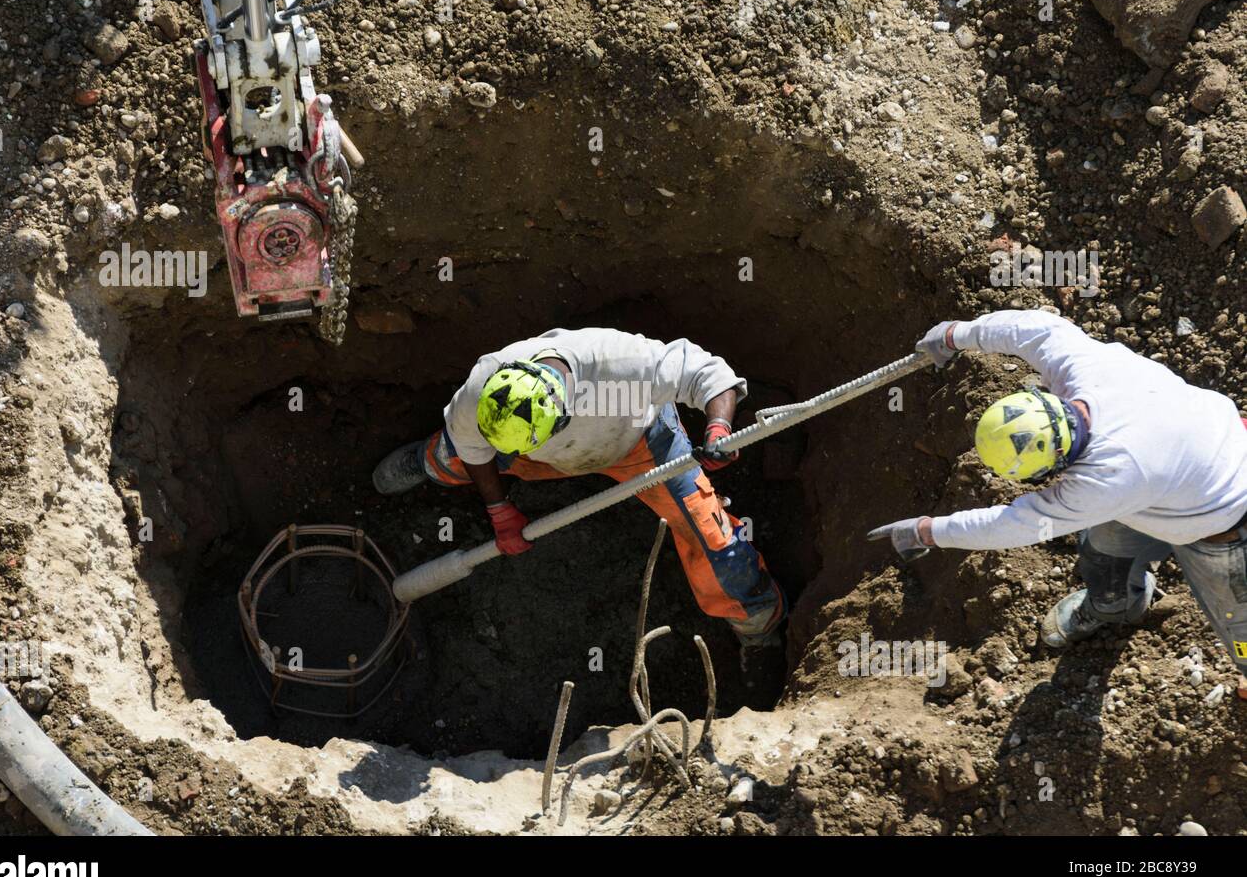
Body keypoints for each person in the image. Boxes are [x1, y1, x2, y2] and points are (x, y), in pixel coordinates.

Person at [869, 310, 1247, 696]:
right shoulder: (1081, 365)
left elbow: (1011, 525)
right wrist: (955, 335)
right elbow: (1030, 329)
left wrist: (928, 532)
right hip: (1195, 460)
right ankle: (1115, 607)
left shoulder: (1103, 481)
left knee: (1240, 621)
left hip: (1224, 517)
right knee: (1100, 552)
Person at [373, 327, 787, 660]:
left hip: (639, 445)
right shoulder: (483, 387)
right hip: (546, 457)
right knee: (454, 454)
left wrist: (718, 429)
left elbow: (710, 374)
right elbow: (476, 447)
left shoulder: (622, 363)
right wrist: (499, 509)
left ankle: (757, 629)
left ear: (565, 411)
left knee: (711, 539)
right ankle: (426, 463)